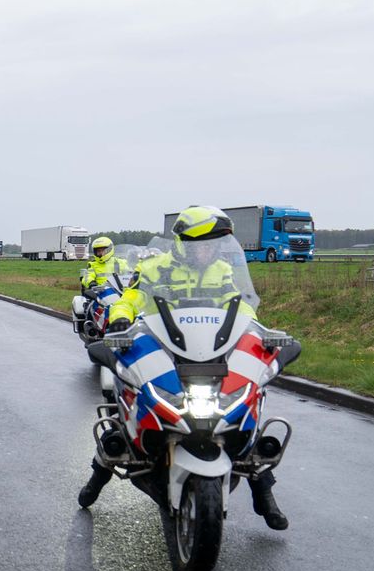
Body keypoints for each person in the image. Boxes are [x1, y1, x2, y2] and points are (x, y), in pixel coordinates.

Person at [79, 205, 287, 530]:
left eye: (211, 245)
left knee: (242, 404)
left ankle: (263, 491)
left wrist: (252, 324)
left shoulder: (221, 270)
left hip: (206, 346)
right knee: (123, 398)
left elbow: (238, 301)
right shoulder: (155, 267)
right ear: (182, 242)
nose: (206, 251)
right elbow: (132, 296)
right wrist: (120, 315)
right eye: (200, 245)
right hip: (164, 345)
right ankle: (104, 465)